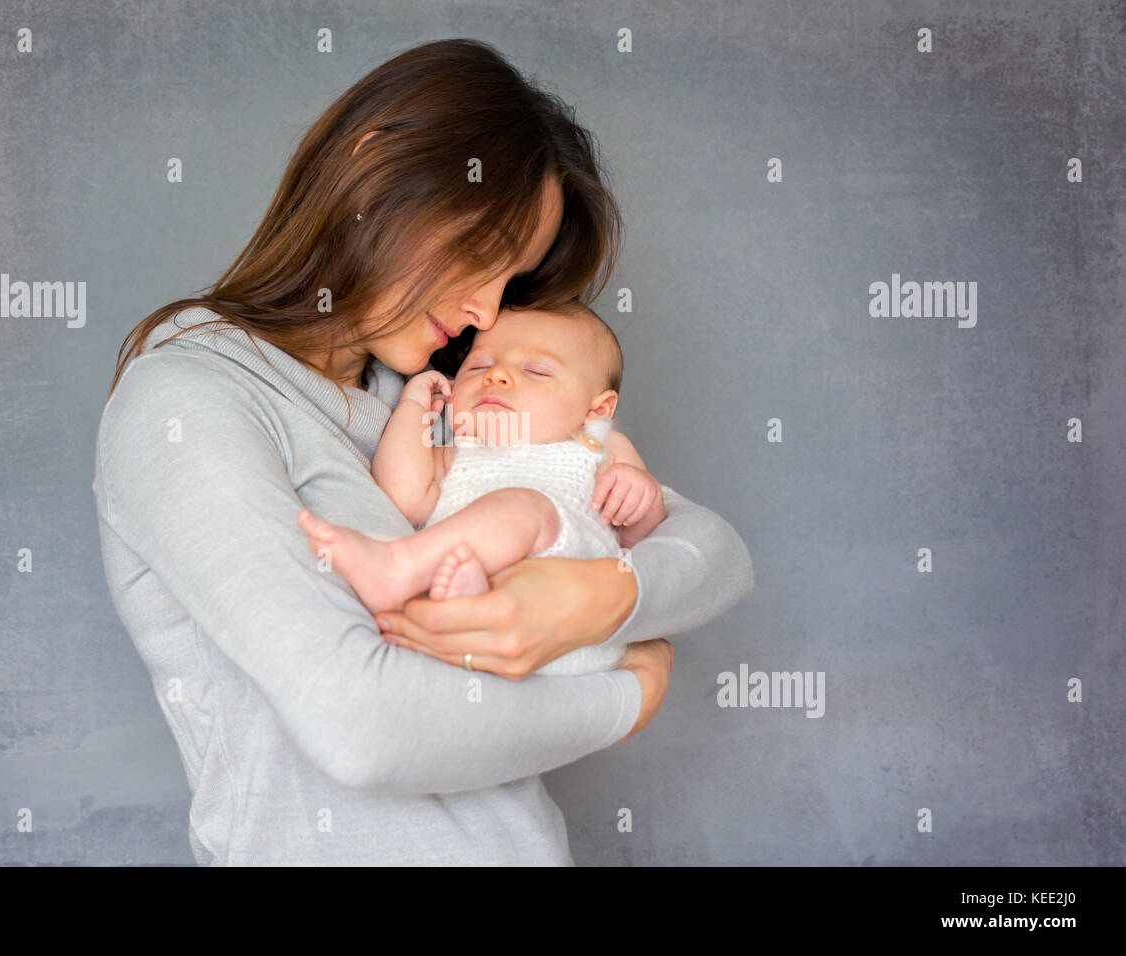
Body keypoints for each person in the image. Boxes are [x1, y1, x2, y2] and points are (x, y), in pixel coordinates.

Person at [93, 38, 754, 865]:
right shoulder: (188, 402)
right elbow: (363, 729)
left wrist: (592, 598)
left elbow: (716, 554)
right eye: (479, 255)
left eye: (509, 282)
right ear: (375, 169)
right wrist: (628, 697)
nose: (488, 314)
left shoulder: (450, 398)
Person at [298, 302, 667, 677]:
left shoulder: (601, 448)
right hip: (471, 637)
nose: (498, 375)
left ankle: (399, 566)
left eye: (535, 371)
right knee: (464, 562)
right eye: (479, 366)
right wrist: (413, 408)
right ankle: (466, 591)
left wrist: (643, 497)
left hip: (568, 628)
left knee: (525, 507)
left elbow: (645, 542)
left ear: (597, 410)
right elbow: (403, 498)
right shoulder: (457, 452)